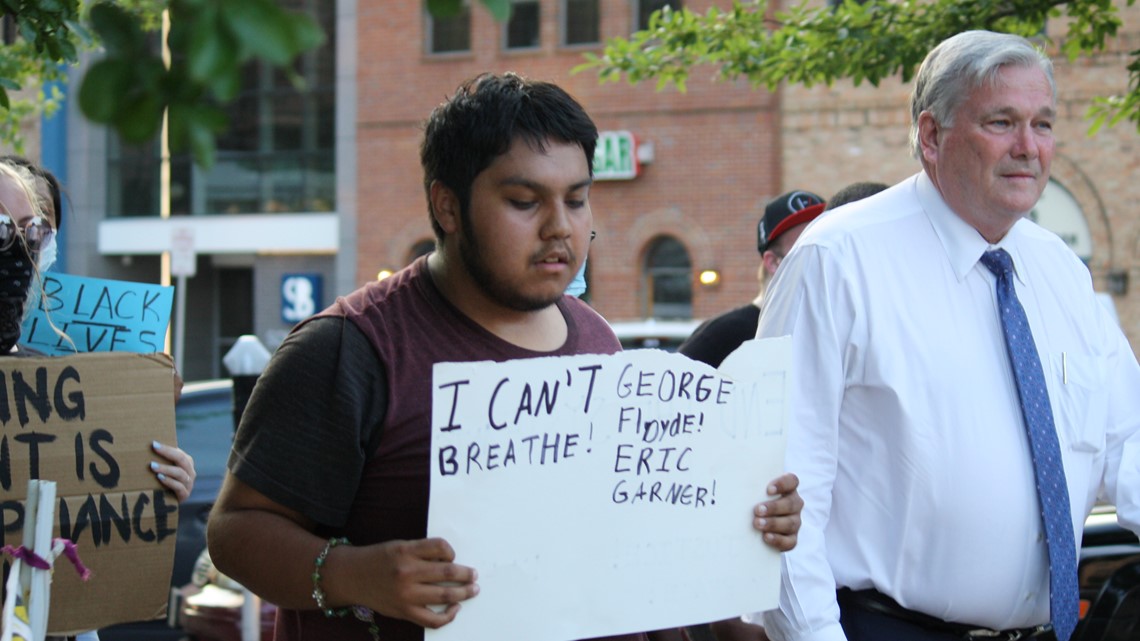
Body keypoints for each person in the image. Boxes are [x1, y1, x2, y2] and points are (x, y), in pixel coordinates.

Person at [205, 72, 803, 641]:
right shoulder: (349, 349)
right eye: (524, 201)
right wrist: (354, 574)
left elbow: (633, 526)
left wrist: (743, 520)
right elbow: (235, 532)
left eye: (576, 199)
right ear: (447, 207)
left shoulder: (598, 340)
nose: (560, 228)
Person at [756, 30, 1140, 641]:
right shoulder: (839, 259)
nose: (1028, 147)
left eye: (1043, 124)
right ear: (931, 136)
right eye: (1001, 122)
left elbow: (1129, 443)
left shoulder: (1061, 271)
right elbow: (778, 487)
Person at [0, 160, 196, 641]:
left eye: (34, 233)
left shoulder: (39, 380)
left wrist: (150, 475)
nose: (21, 251)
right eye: (2, 229)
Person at [678, 190, 826, 368]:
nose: (818, 252)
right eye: (804, 244)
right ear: (773, 262)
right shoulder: (725, 334)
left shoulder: (827, 328)